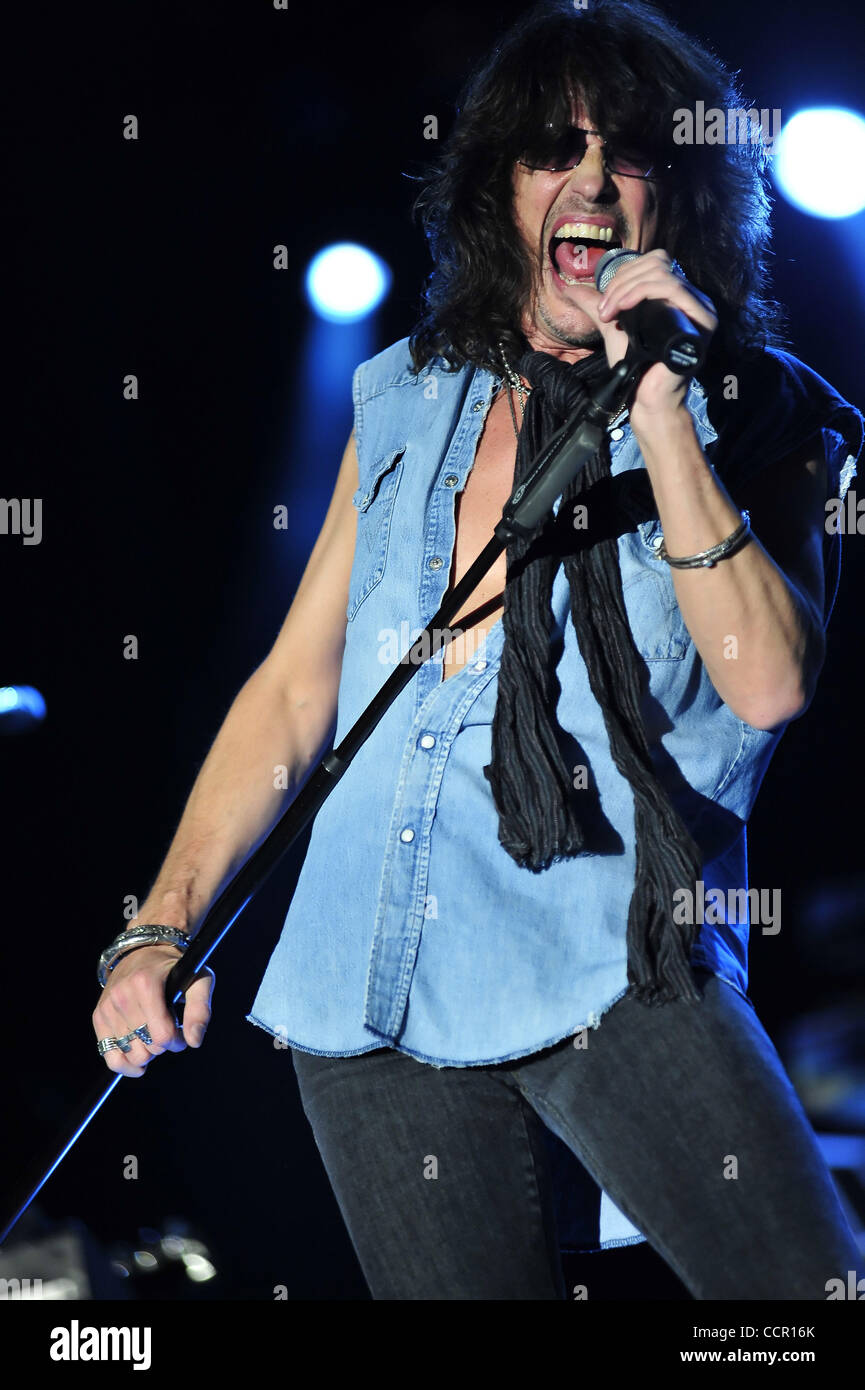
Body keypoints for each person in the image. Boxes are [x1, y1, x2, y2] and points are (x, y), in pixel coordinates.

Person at [92, 0, 864, 1299]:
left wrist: (661, 397)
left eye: (629, 153)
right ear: (498, 188)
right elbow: (293, 690)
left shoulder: (763, 410)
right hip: (370, 979)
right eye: (549, 149)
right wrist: (153, 928)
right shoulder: (403, 391)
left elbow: (768, 680)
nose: (590, 181)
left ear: (681, 195)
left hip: (608, 958)